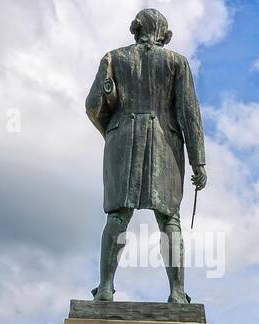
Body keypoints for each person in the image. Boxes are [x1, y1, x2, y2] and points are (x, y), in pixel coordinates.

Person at [85, 8, 207, 304]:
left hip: (121, 139)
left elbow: (92, 105)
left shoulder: (113, 58)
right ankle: (177, 293)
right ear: (164, 33)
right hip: (164, 141)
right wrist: (198, 160)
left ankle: (104, 288)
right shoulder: (176, 62)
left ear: (135, 29)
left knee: (117, 216)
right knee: (169, 220)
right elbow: (189, 114)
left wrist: (112, 130)